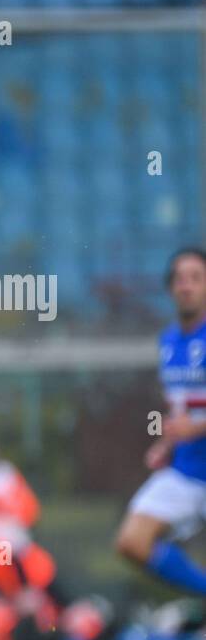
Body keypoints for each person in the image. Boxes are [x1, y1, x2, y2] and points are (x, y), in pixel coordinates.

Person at [115, 246, 206, 600]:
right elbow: (180, 408)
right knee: (132, 542)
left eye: (196, 278)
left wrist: (196, 428)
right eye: (179, 279)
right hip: (185, 469)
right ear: (170, 288)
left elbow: (193, 420)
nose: (186, 286)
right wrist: (166, 443)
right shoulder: (168, 341)